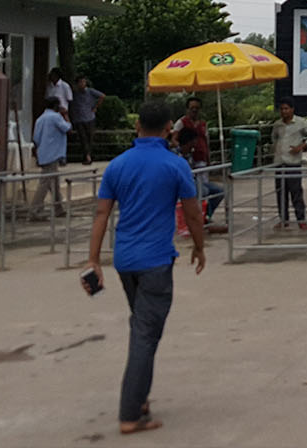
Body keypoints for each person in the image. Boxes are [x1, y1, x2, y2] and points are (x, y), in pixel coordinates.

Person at [85, 99, 207, 436]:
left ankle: (139, 401)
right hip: (155, 261)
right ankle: (130, 413)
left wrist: (93, 259)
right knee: (145, 335)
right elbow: (194, 214)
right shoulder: (175, 165)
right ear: (170, 129)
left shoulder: (117, 165)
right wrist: (199, 247)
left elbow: (101, 215)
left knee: (142, 327)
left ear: (137, 127)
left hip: (125, 261)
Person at [173, 99, 226, 227]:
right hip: (188, 164)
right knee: (202, 191)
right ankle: (194, 219)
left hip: (200, 160)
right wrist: (182, 148)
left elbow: (205, 140)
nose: (194, 110)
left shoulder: (202, 124)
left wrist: (207, 158)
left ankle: (205, 215)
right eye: (192, 107)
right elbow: (174, 138)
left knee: (213, 190)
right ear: (187, 109)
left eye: (197, 107)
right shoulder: (181, 123)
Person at [28, 96, 73, 221]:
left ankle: (58, 208)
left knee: (54, 183)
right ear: (55, 106)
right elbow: (68, 129)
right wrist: (66, 115)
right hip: (53, 154)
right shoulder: (55, 117)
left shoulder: (40, 119)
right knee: (45, 183)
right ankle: (34, 211)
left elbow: (36, 138)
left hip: (43, 153)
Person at [271, 101, 307, 230]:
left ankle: (301, 219)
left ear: (292, 109)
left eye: (286, 108)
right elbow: (274, 138)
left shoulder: (300, 123)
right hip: (279, 162)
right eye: (282, 109)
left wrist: (302, 146)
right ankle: (283, 219)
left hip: (293, 163)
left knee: (296, 193)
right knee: (281, 193)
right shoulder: (278, 124)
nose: (284, 111)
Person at [71, 75, 106, 165]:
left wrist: (95, 106)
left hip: (89, 117)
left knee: (90, 137)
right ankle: (87, 156)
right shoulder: (75, 93)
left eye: (84, 82)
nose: (82, 84)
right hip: (79, 118)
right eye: (80, 82)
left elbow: (102, 96)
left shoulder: (90, 91)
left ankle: (88, 155)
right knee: (83, 138)